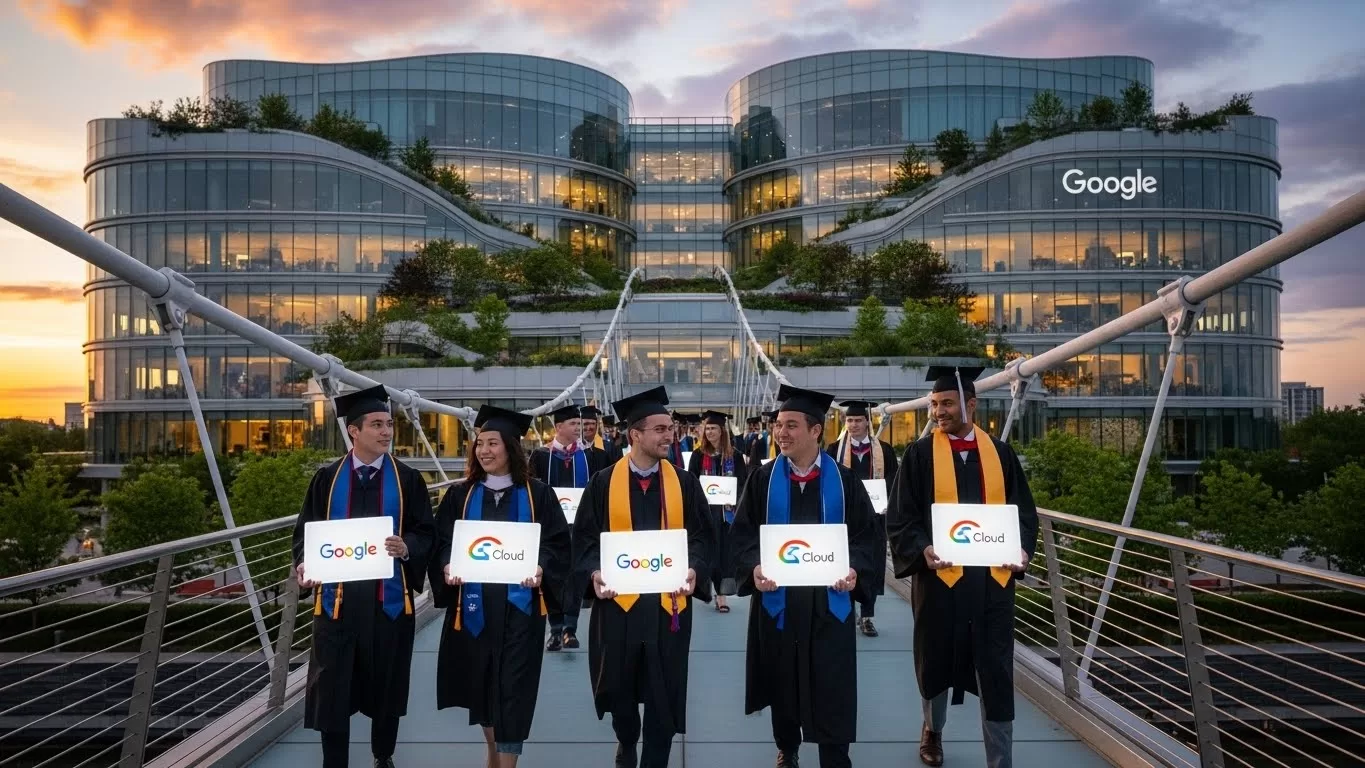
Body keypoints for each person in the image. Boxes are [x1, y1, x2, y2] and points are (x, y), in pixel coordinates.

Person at [886, 366, 1038, 768]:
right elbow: (901, 518)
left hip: (992, 586)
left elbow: (1023, 513)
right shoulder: (919, 456)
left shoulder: (1001, 455)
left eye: (947, 403)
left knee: (996, 672)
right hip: (940, 581)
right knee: (936, 662)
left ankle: (1000, 759)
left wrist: (1021, 550)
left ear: (971, 404)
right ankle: (932, 731)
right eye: (934, 404)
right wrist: (923, 549)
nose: (938, 411)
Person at [732, 385, 879, 768]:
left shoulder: (845, 481)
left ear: (816, 431)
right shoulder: (762, 480)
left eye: (791, 425)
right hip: (779, 601)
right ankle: (788, 745)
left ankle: (835, 754)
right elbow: (743, 535)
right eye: (779, 425)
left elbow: (867, 537)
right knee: (782, 677)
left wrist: (854, 570)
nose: (781, 433)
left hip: (829, 604)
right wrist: (754, 568)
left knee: (831, 682)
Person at [292, 384, 436, 768]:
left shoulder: (408, 480)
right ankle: (334, 762)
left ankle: (382, 755)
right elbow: (306, 533)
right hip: (337, 606)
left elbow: (426, 532)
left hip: (386, 604)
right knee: (332, 691)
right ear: (354, 431)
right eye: (377, 424)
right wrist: (305, 566)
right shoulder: (326, 479)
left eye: (389, 423)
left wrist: (407, 547)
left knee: (387, 688)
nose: (387, 431)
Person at [573, 386, 714, 768]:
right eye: (660, 429)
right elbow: (583, 540)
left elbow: (703, 537)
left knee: (663, 691)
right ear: (635, 434)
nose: (670, 435)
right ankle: (626, 737)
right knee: (618, 688)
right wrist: (594, 573)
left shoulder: (684, 483)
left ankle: (655, 758)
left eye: (671, 428)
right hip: (617, 605)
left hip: (668, 607)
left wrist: (695, 569)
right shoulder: (603, 482)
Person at [431, 405, 571, 768]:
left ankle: (506, 763)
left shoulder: (539, 495)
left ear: (510, 447)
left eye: (493, 443)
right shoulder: (460, 495)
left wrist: (542, 568)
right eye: (480, 444)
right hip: (473, 611)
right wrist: (447, 564)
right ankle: (493, 754)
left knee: (513, 690)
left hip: (520, 613)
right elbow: (441, 541)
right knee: (481, 687)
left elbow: (559, 546)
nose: (484, 451)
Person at [827, 400, 899, 638]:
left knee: (872, 566)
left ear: (868, 422)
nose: (854, 424)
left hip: (875, 520)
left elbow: (893, 480)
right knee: (844, 563)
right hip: (844, 519)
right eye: (849, 420)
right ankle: (845, 612)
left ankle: (867, 616)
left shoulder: (884, 450)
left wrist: (882, 495)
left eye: (858, 420)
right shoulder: (833, 449)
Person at [532, 403, 593, 651]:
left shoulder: (589, 456)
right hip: (550, 530)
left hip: (579, 528)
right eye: (573, 425)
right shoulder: (540, 457)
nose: (579, 429)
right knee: (552, 576)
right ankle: (555, 629)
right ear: (558, 427)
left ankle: (570, 629)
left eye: (579, 424)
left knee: (576, 576)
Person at [687, 410, 749, 613]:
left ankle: (721, 594)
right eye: (707, 428)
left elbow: (742, 483)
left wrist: (735, 499)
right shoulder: (697, 456)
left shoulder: (736, 456)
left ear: (722, 431)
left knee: (724, 554)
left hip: (726, 514)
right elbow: (691, 483)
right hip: (705, 514)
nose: (709, 432)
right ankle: (708, 590)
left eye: (714, 428)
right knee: (707, 553)